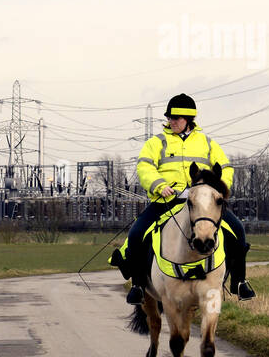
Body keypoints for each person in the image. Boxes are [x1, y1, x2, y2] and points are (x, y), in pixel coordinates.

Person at [109, 93, 256, 304]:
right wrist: (159, 185)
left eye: (175, 118)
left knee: (238, 231)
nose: (171, 121)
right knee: (136, 234)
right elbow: (144, 166)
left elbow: (225, 168)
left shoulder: (207, 143)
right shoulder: (156, 142)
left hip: (203, 204)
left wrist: (216, 189)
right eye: (169, 118)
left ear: (188, 119)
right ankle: (138, 285)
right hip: (166, 201)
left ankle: (240, 282)